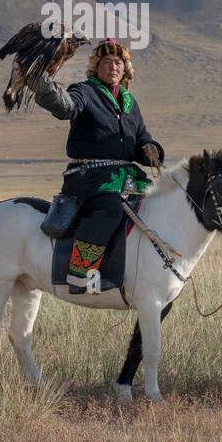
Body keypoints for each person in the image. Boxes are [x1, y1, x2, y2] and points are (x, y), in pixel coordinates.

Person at [30, 39, 165, 293]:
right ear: (96, 67)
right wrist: (46, 88)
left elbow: (142, 138)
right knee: (111, 207)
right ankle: (80, 272)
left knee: (154, 203)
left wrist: (152, 150)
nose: (113, 67)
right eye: (106, 62)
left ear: (125, 69)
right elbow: (66, 107)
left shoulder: (130, 103)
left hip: (125, 176)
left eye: (118, 63)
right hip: (88, 178)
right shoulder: (85, 91)